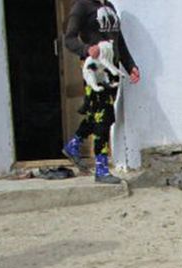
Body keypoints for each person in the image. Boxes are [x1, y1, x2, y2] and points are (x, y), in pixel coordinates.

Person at [62, 0, 140, 184]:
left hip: (112, 70)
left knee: (101, 115)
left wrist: (130, 66)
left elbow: (119, 42)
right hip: (95, 71)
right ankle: (101, 168)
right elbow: (69, 39)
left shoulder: (109, 6)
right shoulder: (82, 6)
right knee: (103, 118)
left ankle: (74, 145)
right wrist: (86, 49)